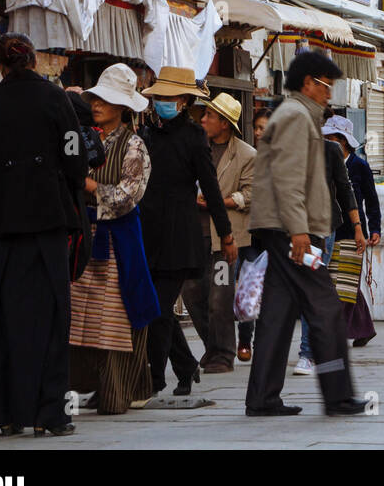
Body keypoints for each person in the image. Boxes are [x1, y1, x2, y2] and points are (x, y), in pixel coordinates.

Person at [0, 32, 87, 437]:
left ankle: (4, 412)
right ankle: (50, 413)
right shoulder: (56, 99)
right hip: (46, 227)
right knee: (48, 320)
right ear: (33, 61)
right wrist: (61, 193)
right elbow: (74, 158)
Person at [245, 51, 365, 416]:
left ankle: (262, 397)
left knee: (278, 314)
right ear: (309, 84)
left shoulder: (295, 115)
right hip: (290, 231)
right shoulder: (297, 117)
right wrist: (299, 232)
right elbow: (289, 179)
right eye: (327, 87)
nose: (330, 95)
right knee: (327, 308)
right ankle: (337, 395)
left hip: (278, 227)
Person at [69, 64, 160, 415]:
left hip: (118, 238)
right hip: (84, 238)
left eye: (106, 101)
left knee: (116, 317)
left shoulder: (133, 145)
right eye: (96, 99)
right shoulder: (83, 138)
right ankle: (84, 385)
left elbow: (127, 196)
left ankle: (119, 391)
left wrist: (88, 186)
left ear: (123, 108)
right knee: (80, 317)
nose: (97, 105)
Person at [138, 67, 235, 397]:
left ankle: (156, 377)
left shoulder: (194, 136)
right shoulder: (146, 133)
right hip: (147, 232)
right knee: (155, 308)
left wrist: (226, 235)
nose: (164, 102)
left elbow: (210, 186)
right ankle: (186, 366)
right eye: (160, 97)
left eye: (169, 97)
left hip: (180, 235)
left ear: (183, 100)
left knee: (161, 308)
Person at [182, 93, 256, 375]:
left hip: (226, 239)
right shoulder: (197, 148)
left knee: (219, 298)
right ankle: (213, 348)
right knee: (191, 293)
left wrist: (218, 201)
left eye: (209, 116)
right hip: (193, 235)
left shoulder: (247, 155)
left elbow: (251, 194)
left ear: (224, 123)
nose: (203, 120)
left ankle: (223, 355)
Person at [295, 120, 362, 374]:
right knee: (308, 289)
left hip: (322, 229)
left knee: (312, 286)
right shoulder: (287, 149)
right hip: (291, 228)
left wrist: (357, 227)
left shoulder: (330, 150)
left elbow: (345, 190)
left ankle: (308, 353)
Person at [322, 115, 380, 347]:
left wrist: (373, 228)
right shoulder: (323, 162)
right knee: (338, 282)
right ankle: (363, 328)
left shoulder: (359, 166)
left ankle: (335, 334)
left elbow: (371, 200)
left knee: (344, 284)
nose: (327, 141)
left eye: (332, 138)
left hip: (352, 232)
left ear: (343, 141)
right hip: (327, 229)